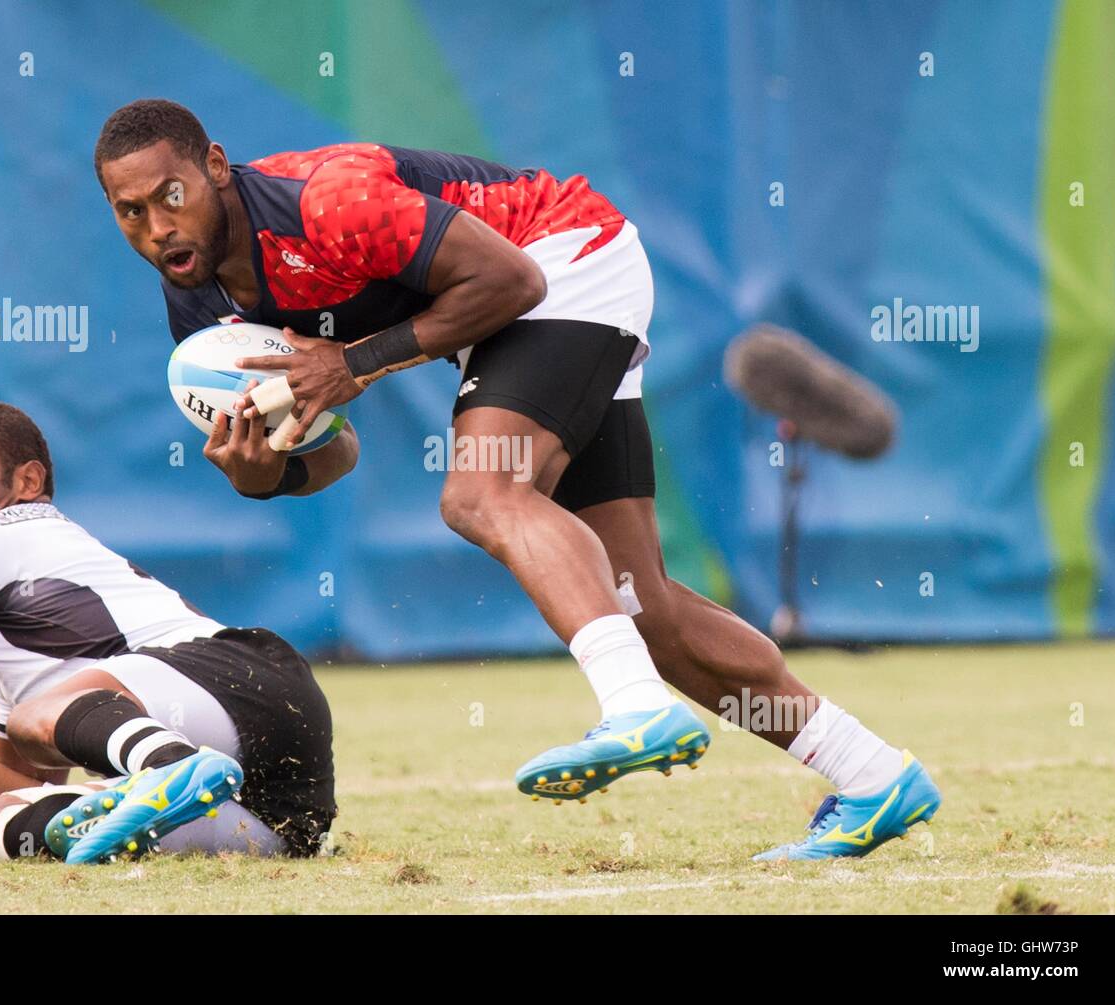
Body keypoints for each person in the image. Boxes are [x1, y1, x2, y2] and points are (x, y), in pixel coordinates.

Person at [93, 98, 940, 859]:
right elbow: (336, 452)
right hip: (521, 310)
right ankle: (871, 775)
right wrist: (266, 474)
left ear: (213, 167)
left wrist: (352, 362)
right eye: (128, 213)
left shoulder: (327, 199)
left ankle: (636, 707)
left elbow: (511, 280)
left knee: (481, 492)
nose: (156, 228)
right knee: (641, 605)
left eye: (169, 197)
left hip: (564, 256)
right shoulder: (201, 305)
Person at [0, 401, 346, 862]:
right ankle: (170, 780)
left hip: (237, 677)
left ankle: (171, 766)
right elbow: (26, 782)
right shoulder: (22, 651)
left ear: (27, 484)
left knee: (34, 718)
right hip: (275, 822)